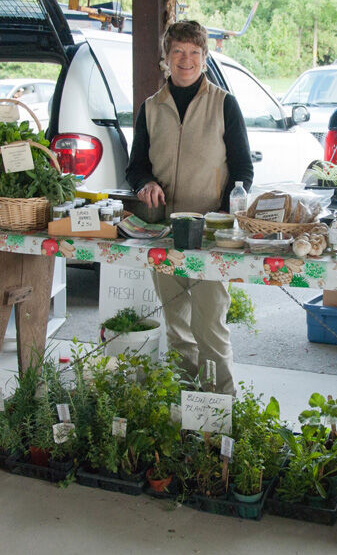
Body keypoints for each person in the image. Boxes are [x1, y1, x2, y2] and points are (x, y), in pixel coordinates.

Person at [125, 20, 253, 395]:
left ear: (205, 57)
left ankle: (220, 409)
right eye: (178, 52)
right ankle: (184, 407)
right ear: (166, 58)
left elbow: (243, 170)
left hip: (212, 235)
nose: (186, 60)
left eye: (194, 53)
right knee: (176, 326)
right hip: (166, 232)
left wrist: (223, 218)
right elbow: (136, 167)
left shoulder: (224, 103)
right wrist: (145, 183)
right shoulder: (151, 108)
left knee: (210, 327)